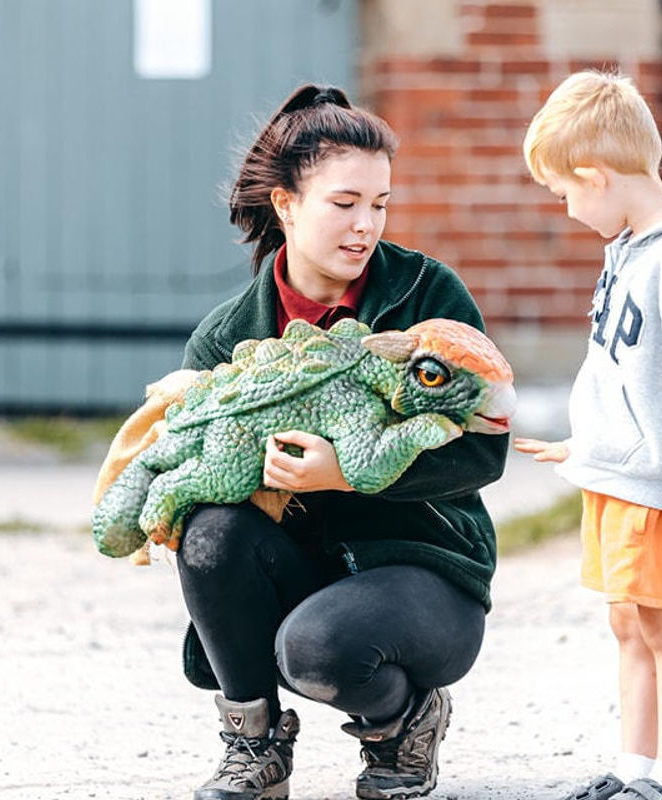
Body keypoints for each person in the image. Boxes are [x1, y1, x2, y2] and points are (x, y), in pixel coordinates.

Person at [174, 84, 509, 800]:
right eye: (345, 203)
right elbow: (184, 464)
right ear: (287, 204)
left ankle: (405, 725)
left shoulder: (428, 297)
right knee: (206, 532)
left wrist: (349, 475)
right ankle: (252, 742)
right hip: (301, 568)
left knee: (317, 650)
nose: (366, 226)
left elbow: (486, 450)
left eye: (380, 205)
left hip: (422, 571)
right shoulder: (228, 338)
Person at [515, 71, 662, 800]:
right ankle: (634, 767)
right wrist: (582, 447)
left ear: (596, 176)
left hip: (657, 487)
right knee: (626, 622)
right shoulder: (628, 249)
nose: (567, 209)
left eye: (565, 196)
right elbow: (615, 368)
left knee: (661, 626)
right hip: (614, 476)